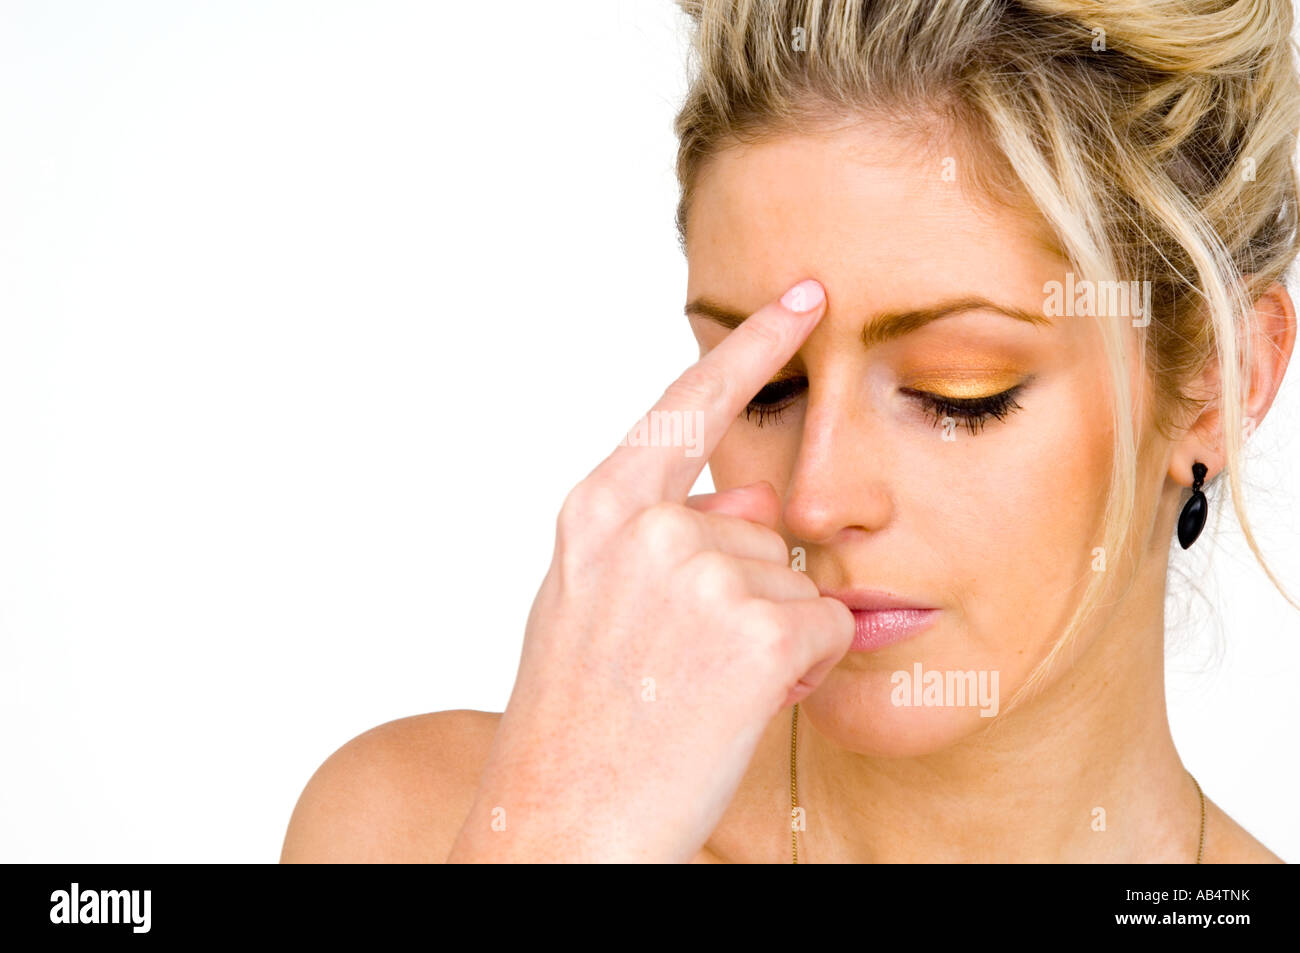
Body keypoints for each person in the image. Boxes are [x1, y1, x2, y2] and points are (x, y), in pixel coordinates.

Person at [280, 0, 1299, 863]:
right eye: (765, 385)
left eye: (960, 390)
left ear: (1216, 381)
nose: (814, 498)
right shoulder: (421, 823)